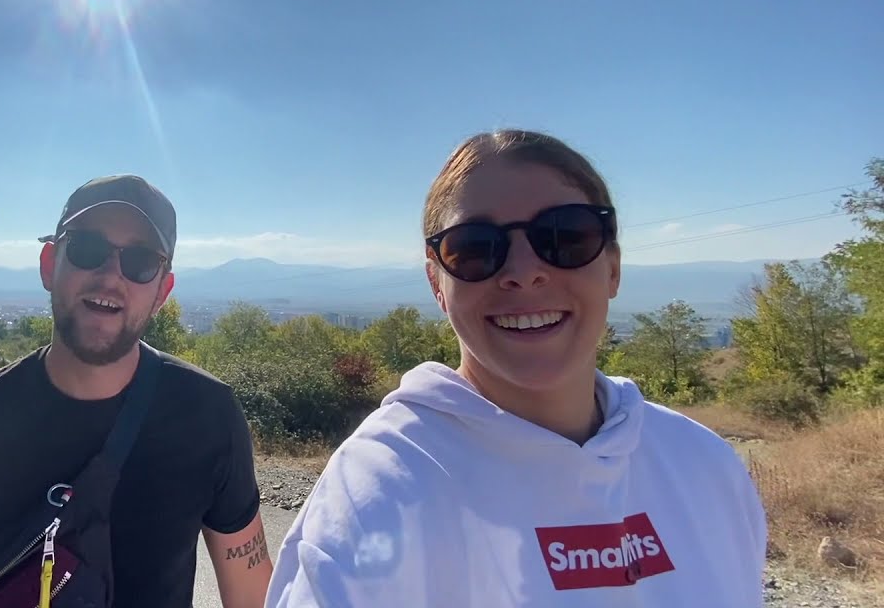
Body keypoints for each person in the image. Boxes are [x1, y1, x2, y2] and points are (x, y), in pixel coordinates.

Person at [265, 130, 767, 607]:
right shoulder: (381, 490)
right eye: (476, 247)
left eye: (566, 235)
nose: (525, 273)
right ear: (437, 284)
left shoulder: (703, 466)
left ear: (613, 266)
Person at [0, 174, 273, 608]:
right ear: (49, 264)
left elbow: (251, 595)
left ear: (162, 292)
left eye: (140, 261)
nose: (111, 275)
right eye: (88, 248)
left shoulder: (207, 416)